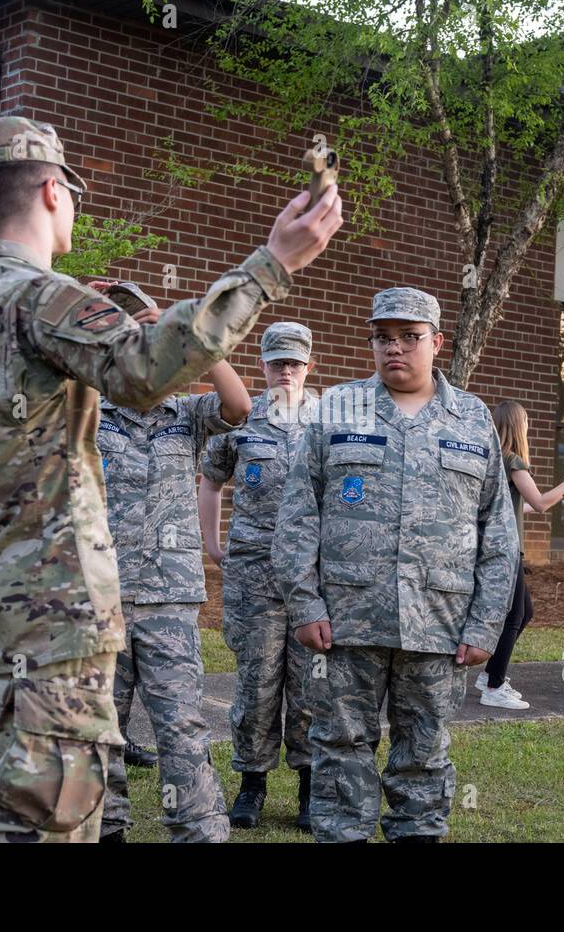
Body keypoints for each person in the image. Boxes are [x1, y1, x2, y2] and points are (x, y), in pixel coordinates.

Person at [0, 115, 342, 843]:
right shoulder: (46, 298)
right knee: (49, 818)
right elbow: (145, 370)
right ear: (53, 192)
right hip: (56, 625)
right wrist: (272, 264)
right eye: (72, 194)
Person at [274, 287, 518, 843]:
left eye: (409, 337)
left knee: (425, 754)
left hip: (439, 623)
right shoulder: (337, 407)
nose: (394, 349)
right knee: (339, 748)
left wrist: (484, 625)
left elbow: (498, 533)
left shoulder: (473, 418)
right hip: (346, 620)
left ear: (436, 342)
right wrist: (305, 602)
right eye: (383, 337)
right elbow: (297, 515)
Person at [94, 289, 251, 843]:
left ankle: (198, 829)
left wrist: (188, 332)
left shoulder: (185, 414)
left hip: (168, 598)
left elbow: (239, 407)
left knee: (181, 724)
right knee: (98, 724)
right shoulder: (87, 411)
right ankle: (104, 826)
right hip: (99, 596)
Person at [199, 322, 319, 830]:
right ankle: (252, 783)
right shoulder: (241, 421)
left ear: (309, 365)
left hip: (314, 577)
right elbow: (210, 482)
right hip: (253, 572)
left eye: (294, 362)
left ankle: (312, 787)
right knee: (257, 679)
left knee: (314, 682)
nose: (285, 371)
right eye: (277, 362)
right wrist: (212, 545)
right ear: (263, 365)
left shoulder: (332, 421)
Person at [475, 400, 564, 710]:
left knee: (525, 611)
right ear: (519, 427)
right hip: (507, 549)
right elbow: (542, 503)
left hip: (492, 547)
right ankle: (493, 687)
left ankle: (490, 675)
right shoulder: (513, 462)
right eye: (527, 424)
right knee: (514, 615)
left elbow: (525, 505)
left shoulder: (491, 461)